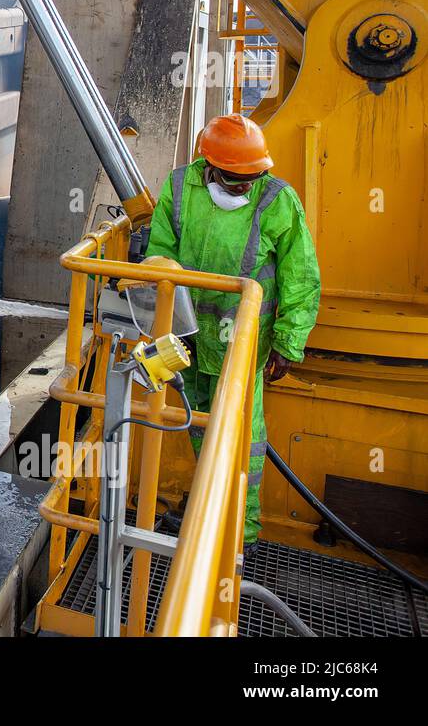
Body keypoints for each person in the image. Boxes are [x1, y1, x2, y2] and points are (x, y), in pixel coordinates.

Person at [145, 114, 320, 546]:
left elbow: (301, 275)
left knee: (242, 436)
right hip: (186, 334)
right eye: (236, 178)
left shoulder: (278, 200)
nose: (245, 186)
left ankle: (240, 534)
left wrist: (287, 342)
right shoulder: (180, 186)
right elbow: (161, 253)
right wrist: (163, 317)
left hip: (241, 343)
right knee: (197, 424)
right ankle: (209, 511)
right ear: (211, 167)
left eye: (253, 177)